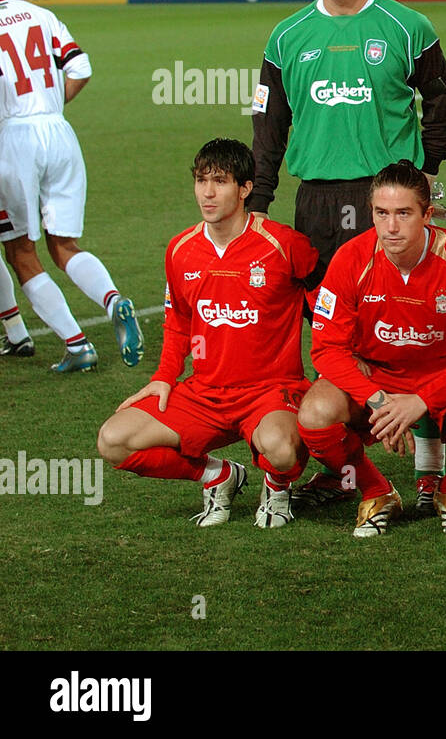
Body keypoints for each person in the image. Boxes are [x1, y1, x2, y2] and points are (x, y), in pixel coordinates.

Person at [250, 0, 446, 501]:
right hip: (316, 202)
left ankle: (429, 458)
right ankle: (340, 464)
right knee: (331, 334)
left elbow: (443, 104)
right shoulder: (287, 37)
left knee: (415, 323)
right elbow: (268, 126)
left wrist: (421, 176)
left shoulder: (406, 25)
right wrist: (259, 204)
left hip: (387, 198)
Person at [96, 139, 317, 527]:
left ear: (246, 188)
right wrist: (164, 377)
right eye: (201, 181)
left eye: (219, 181)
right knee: (113, 440)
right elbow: (178, 320)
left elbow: (326, 305)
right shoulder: (181, 249)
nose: (207, 193)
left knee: (281, 450)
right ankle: (217, 476)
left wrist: (333, 366)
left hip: (270, 392)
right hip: (204, 394)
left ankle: (277, 485)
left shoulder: (283, 245)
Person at [295, 160, 446, 537]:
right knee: (315, 412)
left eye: (403, 213)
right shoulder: (351, 259)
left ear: (427, 214)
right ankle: (376, 491)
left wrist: (423, 400)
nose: (390, 227)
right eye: (381, 213)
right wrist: (377, 400)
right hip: (380, 378)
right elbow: (325, 350)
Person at [0, 0, 143, 371]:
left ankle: (78, 346)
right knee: (63, 244)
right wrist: (46, 106)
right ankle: (113, 299)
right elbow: (80, 67)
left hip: (14, 139)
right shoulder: (41, 15)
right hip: (59, 132)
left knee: (21, 252)